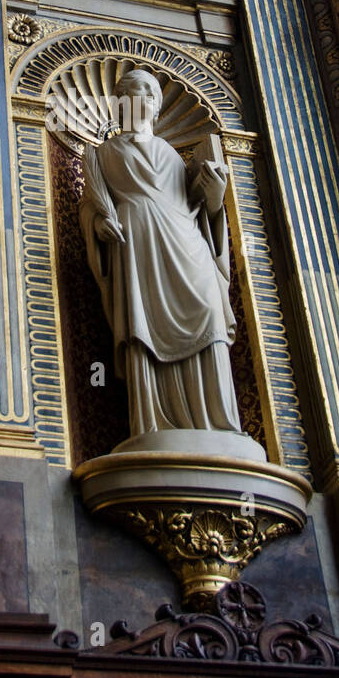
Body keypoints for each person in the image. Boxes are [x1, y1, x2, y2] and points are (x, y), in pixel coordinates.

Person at [78, 68, 243, 436]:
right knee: (142, 326)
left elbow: (200, 210)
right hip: (138, 249)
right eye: (131, 97)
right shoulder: (104, 153)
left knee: (210, 312)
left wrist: (215, 196)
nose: (140, 103)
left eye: (148, 97)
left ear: (156, 107)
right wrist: (97, 224)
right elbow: (90, 206)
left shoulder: (171, 153)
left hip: (186, 245)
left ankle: (219, 425)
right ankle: (153, 426)